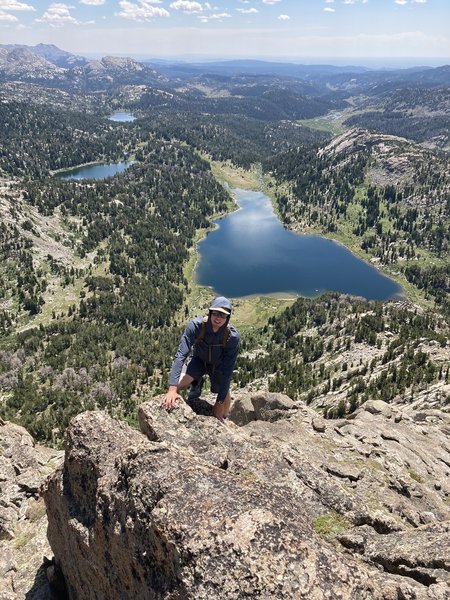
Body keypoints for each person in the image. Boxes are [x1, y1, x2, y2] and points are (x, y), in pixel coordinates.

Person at [163, 296, 240, 422]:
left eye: (223, 315)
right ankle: (196, 382)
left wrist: (219, 403)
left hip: (217, 366)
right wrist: (172, 389)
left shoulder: (232, 337)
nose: (218, 318)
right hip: (198, 361)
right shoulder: (196, 326)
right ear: (210, 312)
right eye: (215, 313)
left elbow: (228, 371)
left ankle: (201, 385)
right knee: (179, 384)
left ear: (228, 318)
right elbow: (181, 355)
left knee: (224, 413)